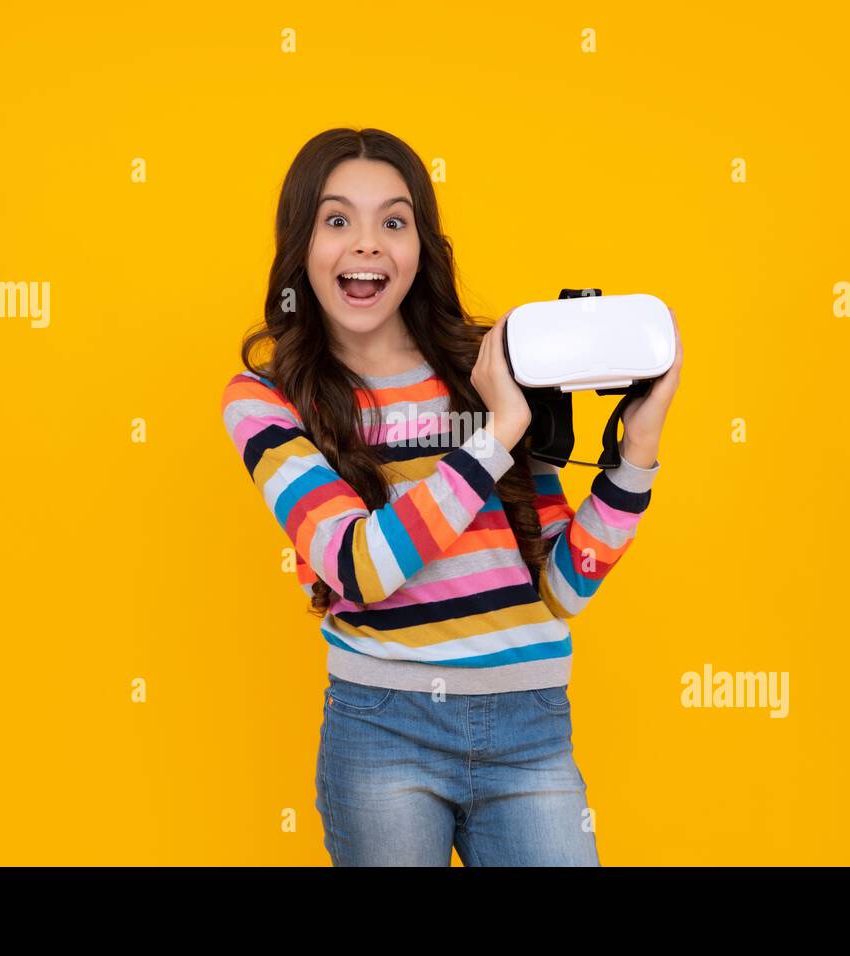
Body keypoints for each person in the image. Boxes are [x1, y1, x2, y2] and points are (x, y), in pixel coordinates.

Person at [221, 128, 683, 866]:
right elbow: (357, 566)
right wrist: (495, 434)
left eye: (393, 221)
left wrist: (637, 452)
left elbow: (561, 588)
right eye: (338, 220)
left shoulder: (493, 368)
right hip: (381, 733)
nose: (367, 244)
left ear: (420, 247)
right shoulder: (266, 399)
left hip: (531, 730)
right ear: (300, 247)